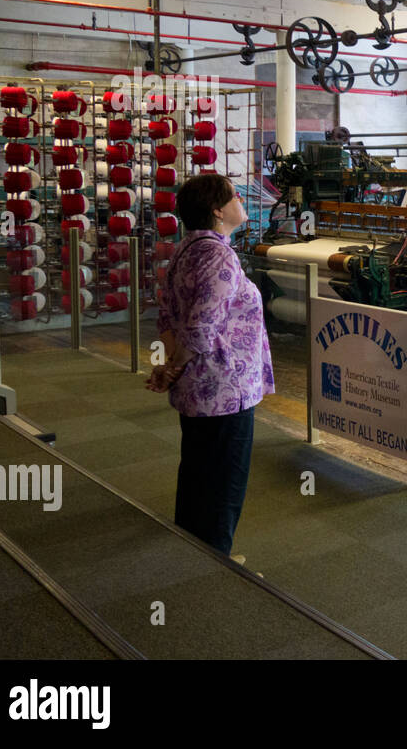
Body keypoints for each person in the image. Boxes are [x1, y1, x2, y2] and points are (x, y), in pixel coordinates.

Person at [146, 174, 273, 556]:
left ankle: (190, 548)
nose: (242, 201)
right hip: (224, 389)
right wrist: (176, 365)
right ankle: (216, 563)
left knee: (198, 473)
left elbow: (167, 316)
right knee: (224, 484)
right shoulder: (219, 256)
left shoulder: (186, 249)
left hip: (199, 388)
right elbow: (202, 327)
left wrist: (170, 365)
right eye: (235, 196)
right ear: (218, 211)